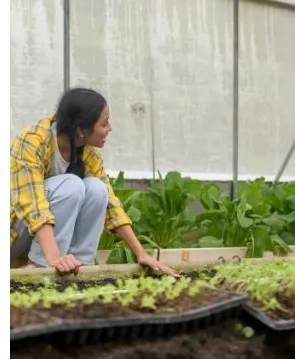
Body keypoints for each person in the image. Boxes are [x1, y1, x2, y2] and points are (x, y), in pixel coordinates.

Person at [10, 87, 178, 276]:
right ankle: (40, 268)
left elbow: (111, 206)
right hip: (15, 235)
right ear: (81, 130)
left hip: (46, 243)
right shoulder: (31, 142)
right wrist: (53, 257)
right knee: (72, 185)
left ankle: (79, 267)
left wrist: (141, 253)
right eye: (104, 124)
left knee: (97, 189)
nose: (110, 128)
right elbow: (34, 207)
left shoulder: (88, 151)